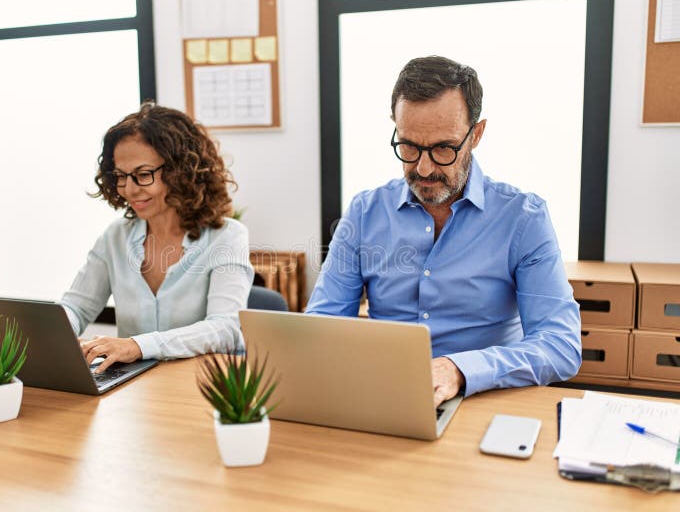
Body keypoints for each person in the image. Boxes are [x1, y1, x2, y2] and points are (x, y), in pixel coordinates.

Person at [306, 56, 581, 406]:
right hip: (386, 398)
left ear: (476, 135)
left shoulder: (523, 219)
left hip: (481, 399)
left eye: (443, 149)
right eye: (408, 146)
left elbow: (561, 345)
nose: (423, 167)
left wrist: (461, 370)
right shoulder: (365, 212)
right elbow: (323, 326)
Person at [60, 102, 253, 373]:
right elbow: (75, 308)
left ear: (181, 171)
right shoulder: (115, 237)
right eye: (120, 176)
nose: (129, 189)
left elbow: (225, 329)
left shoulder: (227, 237)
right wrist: (55, 334)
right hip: (132, 392)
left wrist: (137, 346)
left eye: (142, 175)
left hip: (200, 387)